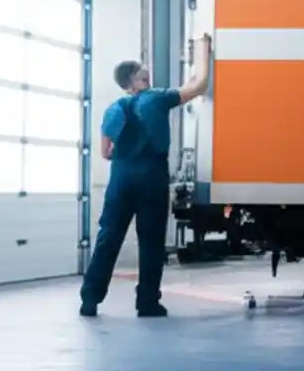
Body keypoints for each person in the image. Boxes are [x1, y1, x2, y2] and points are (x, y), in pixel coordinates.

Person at [79, 35, 212, 318]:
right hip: (151, 178)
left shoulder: (113, 109)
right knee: (151, 242)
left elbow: (105, 151)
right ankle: (147, 303)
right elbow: (198, 86)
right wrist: (204, 50)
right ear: (132, 83)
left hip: (121, 178)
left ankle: (90, 300)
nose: (148, 81)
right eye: (143, 78)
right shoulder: (157, 98)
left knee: (108, 237)